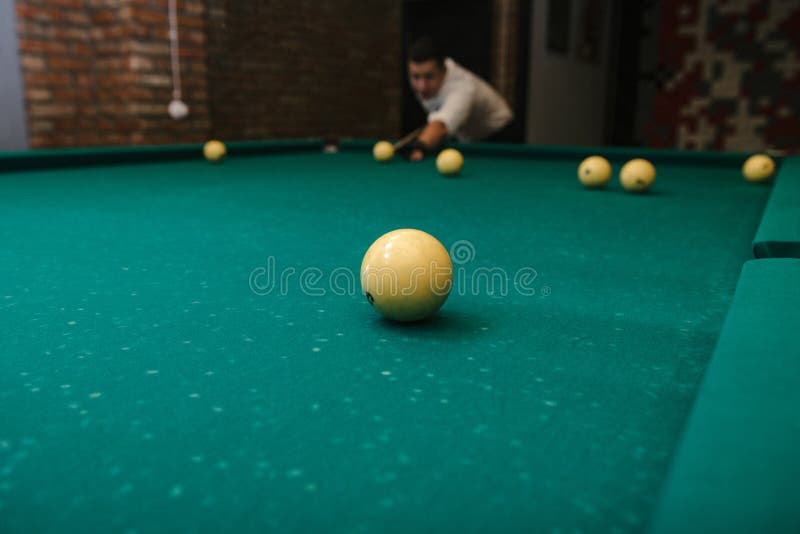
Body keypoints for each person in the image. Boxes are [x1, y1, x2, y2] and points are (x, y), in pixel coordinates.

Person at [402, 37, 515, 161]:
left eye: (428, 77)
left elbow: (442, 126)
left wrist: (420, 146)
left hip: (498, 134)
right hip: (467, 136)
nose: (421, 87)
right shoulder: (428, 84)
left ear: (443, 70)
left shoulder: (462, 88)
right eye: (415, 77)